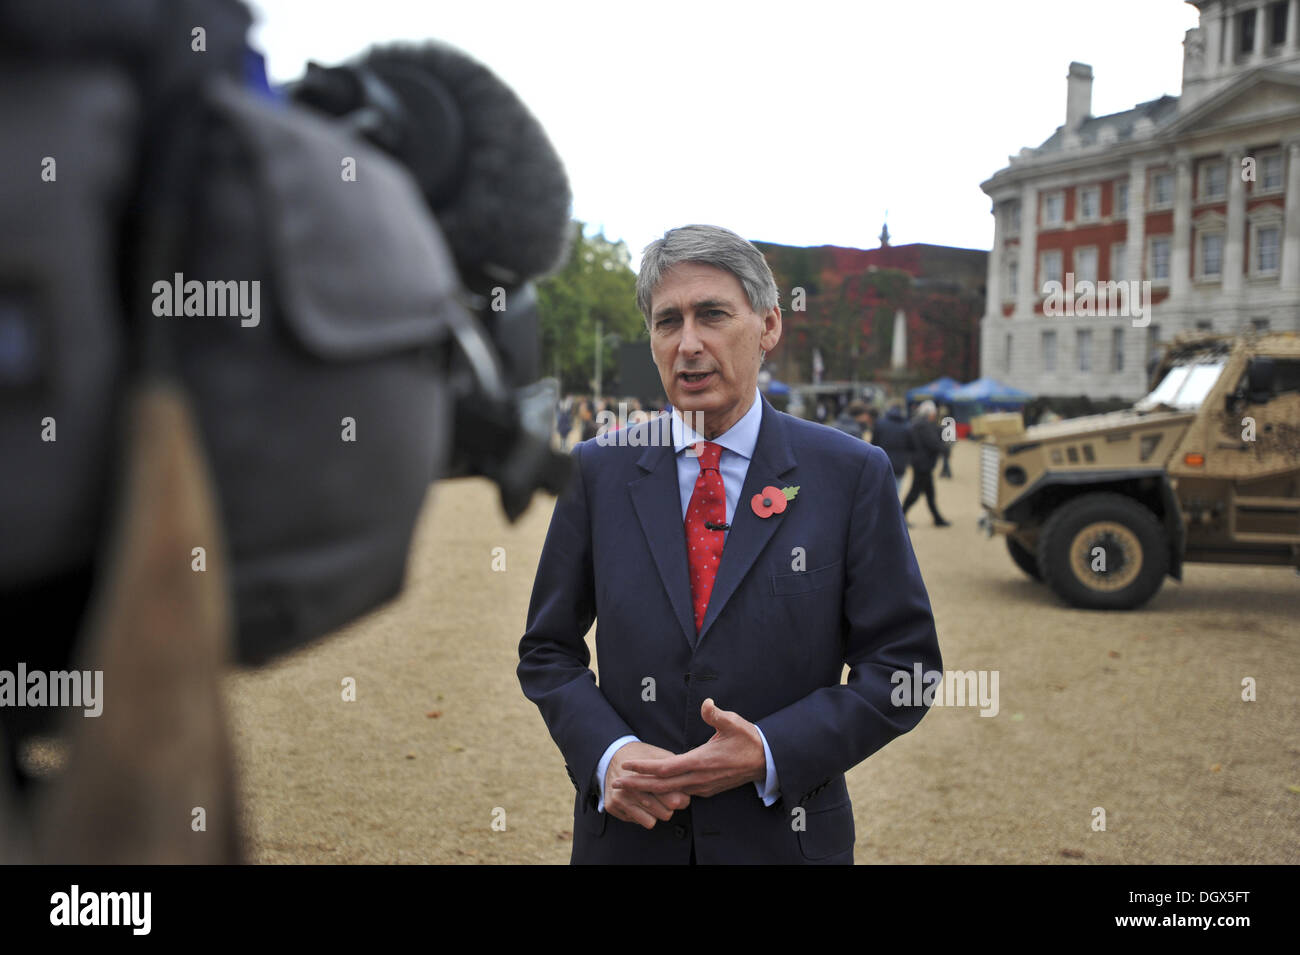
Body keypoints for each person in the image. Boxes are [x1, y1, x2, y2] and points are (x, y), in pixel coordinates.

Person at [517, 225, 941, 864]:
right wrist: (609, 755)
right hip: (630, 843)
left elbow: (906, 669)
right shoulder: (598, 471)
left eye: (712, 315)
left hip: (784, 841)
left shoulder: (851, 474)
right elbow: (547, 650)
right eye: (668, 322)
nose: (688, 344)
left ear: (769, 326)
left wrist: (772, 751)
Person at [901, 400, 950, 527]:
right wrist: (945, 449)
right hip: (923, 464)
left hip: (920, 463)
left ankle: (937, 518)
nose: (935, 415)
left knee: (929, 493)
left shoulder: (916, 424)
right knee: (915, 493)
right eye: (934, 413)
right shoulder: (925, 426)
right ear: (930, 414)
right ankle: (900, 518)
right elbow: (932, 443)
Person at [870, 400, 913, 493]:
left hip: (881, 462)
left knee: (879, 491)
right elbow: (911, 446)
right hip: (899, 465)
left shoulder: (880, 423)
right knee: (895, 492)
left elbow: (873, 444)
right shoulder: (907, 426)